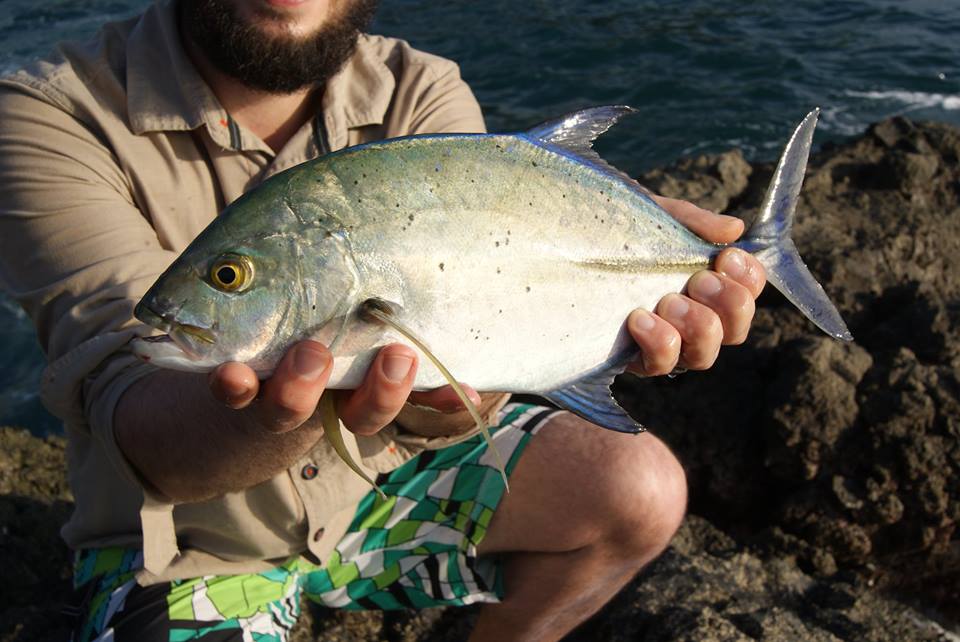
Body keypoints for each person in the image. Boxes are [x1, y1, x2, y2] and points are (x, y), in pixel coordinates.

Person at [0, 0, 766, 640]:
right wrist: (285, 406)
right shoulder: (52, 109)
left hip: (381, 487)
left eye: (231, 276)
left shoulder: (422, 89)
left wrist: (520, 358)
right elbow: (136, 414)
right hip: (188, 537)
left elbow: (471, 369)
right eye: (232, 277)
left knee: (639, 490)